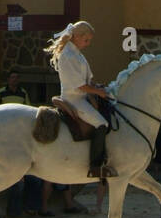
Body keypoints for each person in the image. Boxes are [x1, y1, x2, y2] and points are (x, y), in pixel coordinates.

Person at [45, 21, 116, 179]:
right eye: (86, 40)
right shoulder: (69, 55)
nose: (88, 43)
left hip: (82, 96)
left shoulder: (77, 53)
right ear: (76, 37)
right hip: (73, 99)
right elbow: (79, 86)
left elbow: (88, 81)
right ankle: (95, 166)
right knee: (101, 123)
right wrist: (98, 92)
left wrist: (99, 88)